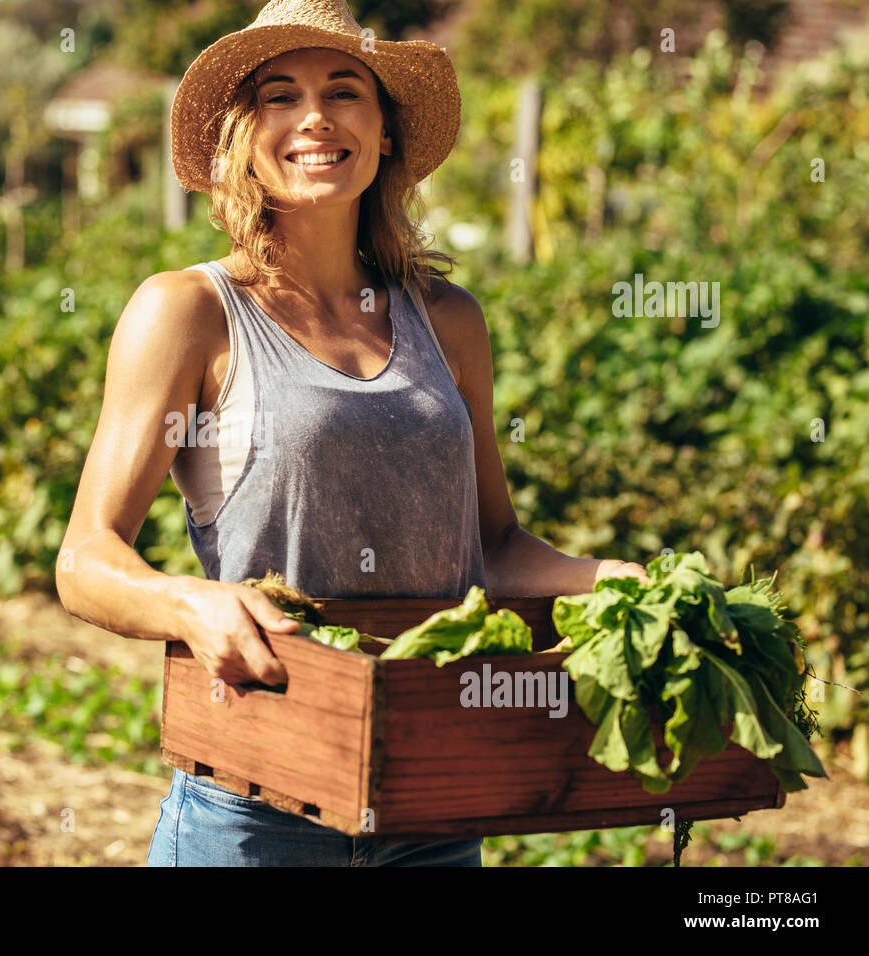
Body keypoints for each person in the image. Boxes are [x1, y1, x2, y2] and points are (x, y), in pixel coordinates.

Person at [55, 0, 648, 867]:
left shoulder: (449, 321)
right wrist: (193, 603)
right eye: (278, 96)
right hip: (257, 797)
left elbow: (493, 547)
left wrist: (613, 580)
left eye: (344, 92)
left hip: (433, 794)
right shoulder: (189, 313)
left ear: (384, 133)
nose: (315, 118)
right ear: (240, 135)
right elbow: (84, 559)